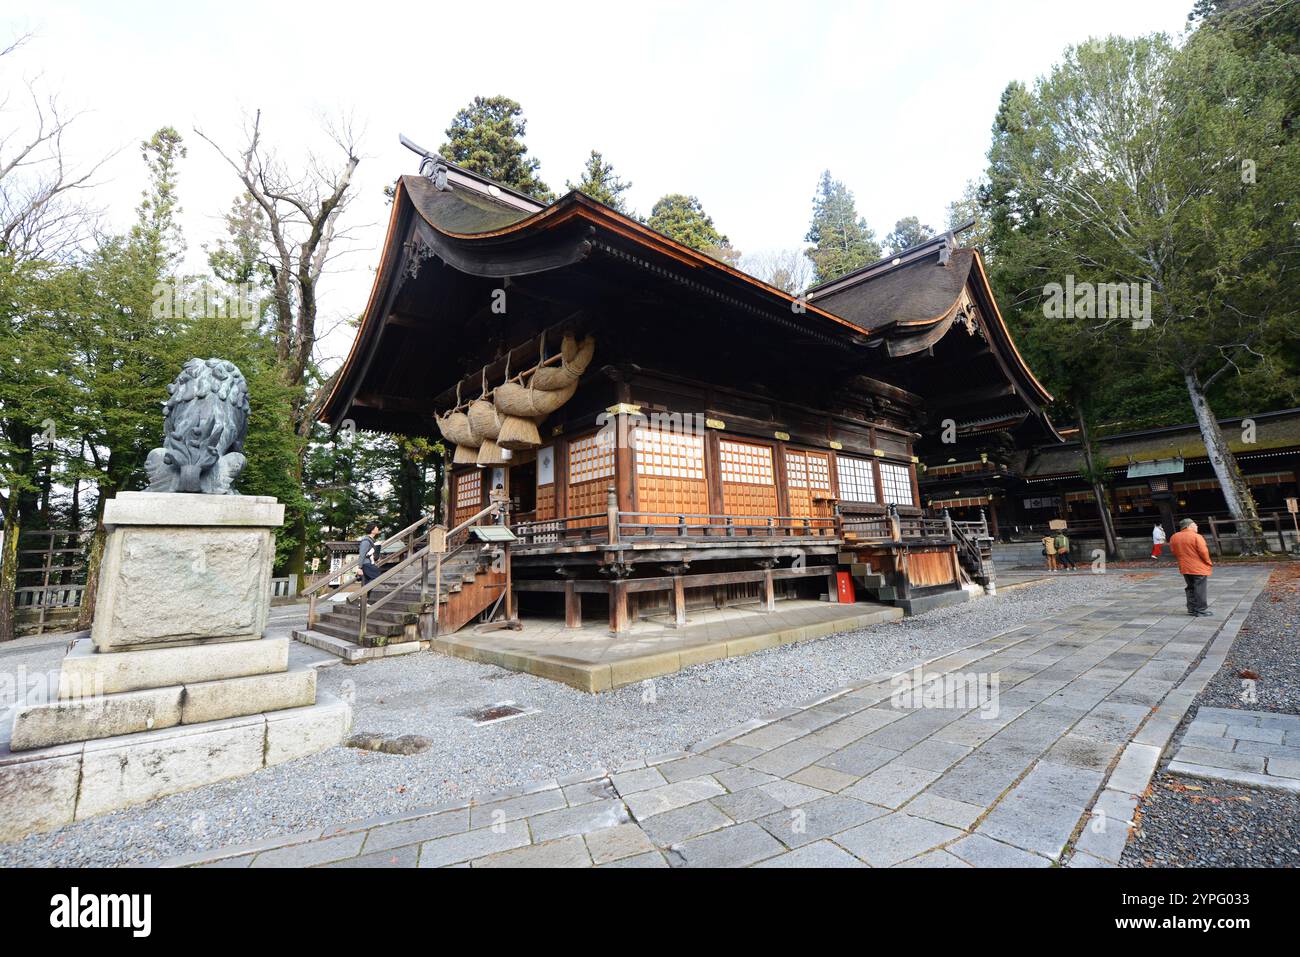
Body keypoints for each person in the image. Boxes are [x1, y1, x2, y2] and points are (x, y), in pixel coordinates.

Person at [1169, 518, 1213, 616]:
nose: (1197, 526)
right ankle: (1201, 610)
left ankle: (1192, 608)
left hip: (1184, 567)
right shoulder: (1197, 537)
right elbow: (1203, 552)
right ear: (1189, 526)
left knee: (1190, 587)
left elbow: (1173, 551)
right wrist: (1208, 562)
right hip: (1198, 567)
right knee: (1200, 588)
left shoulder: (1174, 537)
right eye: (1195, 524)